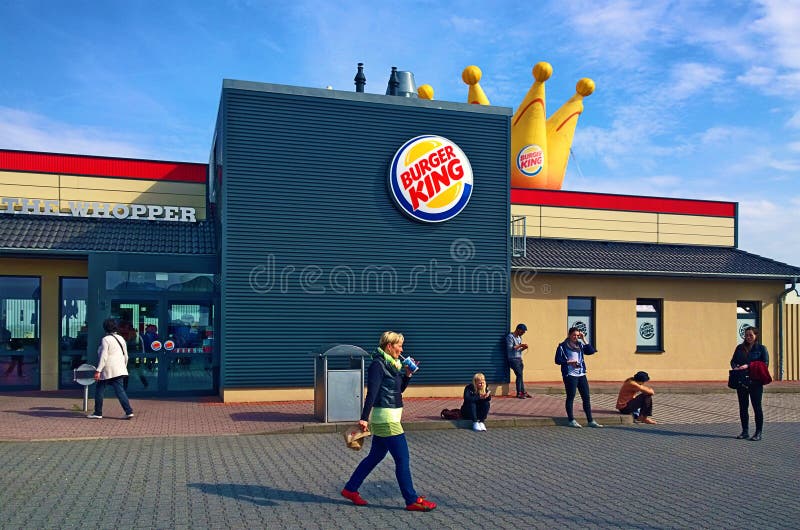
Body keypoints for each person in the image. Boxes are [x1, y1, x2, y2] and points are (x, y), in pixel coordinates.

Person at [341, 331, 436, 512]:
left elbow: (398, 390)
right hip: (386, 420)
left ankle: (350, 489)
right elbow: (372, 392)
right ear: (389, 346)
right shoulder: (377, 365)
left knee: (375, 457)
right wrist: (363, 417)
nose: (401, 349)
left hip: (389, 417)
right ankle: (411, 499)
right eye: (399, 345)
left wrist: (407, 374)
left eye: (402, 345)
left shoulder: (393, 365)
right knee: (402, 459)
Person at [555, 327, 602, 428]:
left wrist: (584, 339)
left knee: (586, 397)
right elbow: (557, 360)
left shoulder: (580, 345)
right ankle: (571, 420)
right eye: (574, 335)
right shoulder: (562, 346)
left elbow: (591, 351)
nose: (576, 337)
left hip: (581, 374)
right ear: (569, 335)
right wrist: (568, 362)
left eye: (577, 335)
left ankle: (590, 420)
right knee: (571, 396)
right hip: (570, 375)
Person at [87, 318, 134, 420]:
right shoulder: (121, 338)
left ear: (105, 328)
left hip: (107, 370)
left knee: (99, 390)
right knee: (120, 391)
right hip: (119, 369)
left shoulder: (106, 339)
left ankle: (98, 412)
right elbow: (126, 355)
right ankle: (129, 411)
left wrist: (98, 370)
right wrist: (123, 366)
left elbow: (104, 356)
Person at [730, 326, 769, 441]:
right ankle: (745, 431)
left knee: (757, 407)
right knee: (743, 407)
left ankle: (758, 432)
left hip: (755, 382)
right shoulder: (739, 348)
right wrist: (735, 367)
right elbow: (733, 361)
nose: (748, 337)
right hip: (741, 381)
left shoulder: (761, 349)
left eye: (750, 335)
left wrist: (748, 366)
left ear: (756, 336)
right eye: (746, 335)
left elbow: (764, 364)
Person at [506, 323, 531, 398]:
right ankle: (519, 393)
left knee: (520, 376)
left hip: (519, 359)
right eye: (522, 331)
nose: (523, 333)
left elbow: (519, 350)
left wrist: (524, 348)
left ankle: (522, 391)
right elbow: (510, 348)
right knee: (519, 375)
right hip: (513, 359)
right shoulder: (510, 337)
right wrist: (521, 345)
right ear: (518, 329)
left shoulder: (519, 338)